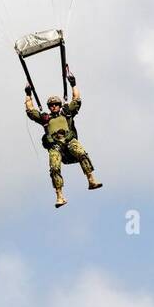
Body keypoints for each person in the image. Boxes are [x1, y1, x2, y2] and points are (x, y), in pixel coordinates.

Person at [25, 68, 102, 209]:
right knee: (54, 168)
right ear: (49, 107)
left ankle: (91, 180)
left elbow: (76, 100)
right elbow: (30, 111)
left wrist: (73, 84)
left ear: (59, 105)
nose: (54, 106)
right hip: (56, 146)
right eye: (51, 105)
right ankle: (60, 196)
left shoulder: (66, 113)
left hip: (69, 140)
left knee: (81, 153)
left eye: (56, 104)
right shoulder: (45, 118)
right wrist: (28, 94)